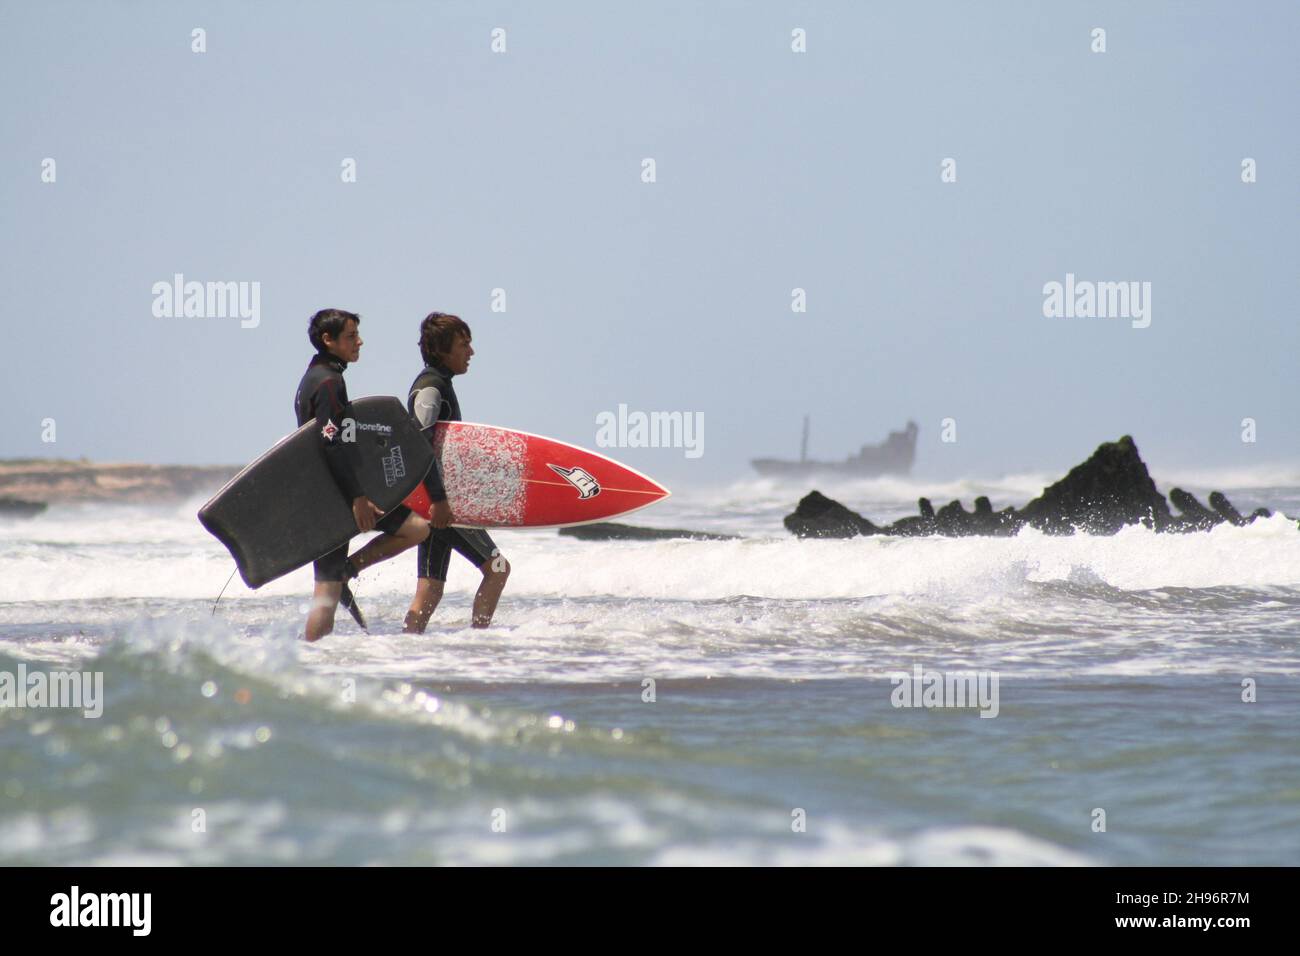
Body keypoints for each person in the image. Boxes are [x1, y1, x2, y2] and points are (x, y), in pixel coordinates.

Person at [295, 308, 430, 641]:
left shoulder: (316, 376)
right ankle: (310, 659)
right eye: (351, 336)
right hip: (336, 497)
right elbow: (330, 442)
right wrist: (357, 497)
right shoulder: (328, 382)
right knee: (325, 594)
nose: (359, 342)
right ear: (329, 340)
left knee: (327, 588)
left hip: (329, 492)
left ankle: (345, 574)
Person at [403, 312, 510, 632]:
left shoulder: (438, 383)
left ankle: (405, 648)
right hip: (442, 503)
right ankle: (479, 642)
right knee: (498, 569)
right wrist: (439, 499)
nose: (471, 352)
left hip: (436, 500)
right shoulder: (432, 387)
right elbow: (420, 443)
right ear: (440, 349)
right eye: (464, 345)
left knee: (430, 588)